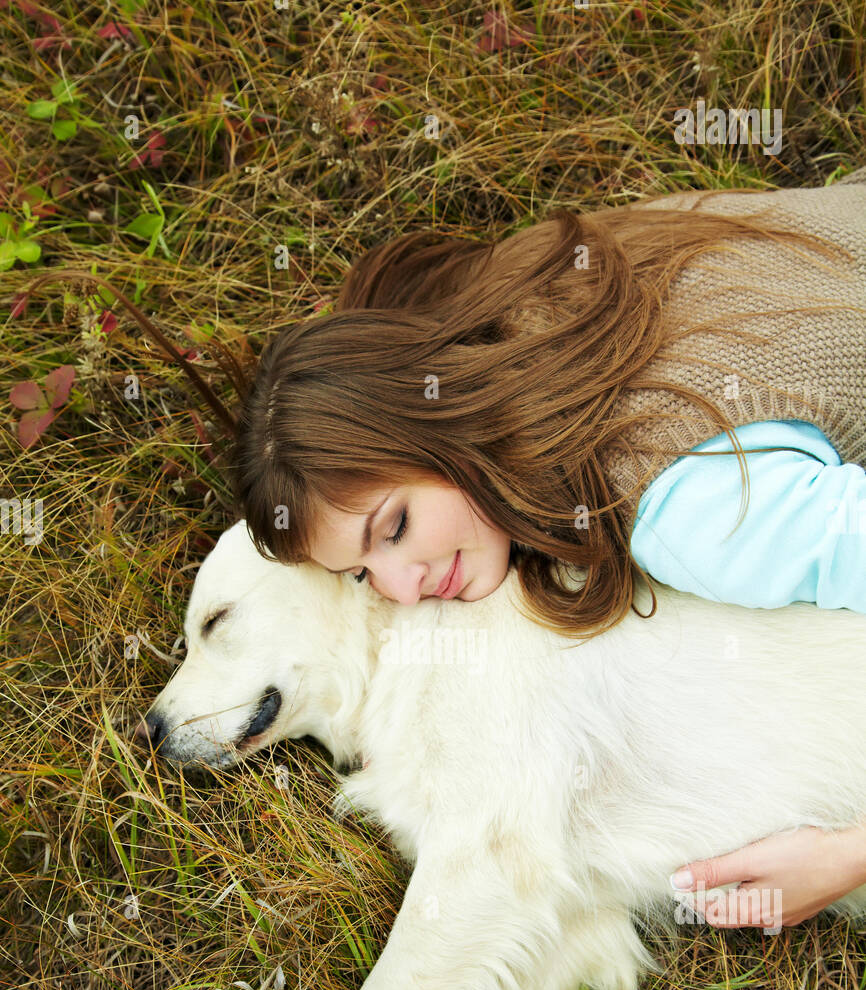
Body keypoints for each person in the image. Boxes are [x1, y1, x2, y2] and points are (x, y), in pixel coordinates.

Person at [227, 172, 866, 930]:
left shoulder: (685, 512)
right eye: (361, 574)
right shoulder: (535, 282)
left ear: (431, 422)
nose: (403, 587)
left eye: (394, 527)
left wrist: (849, 858)